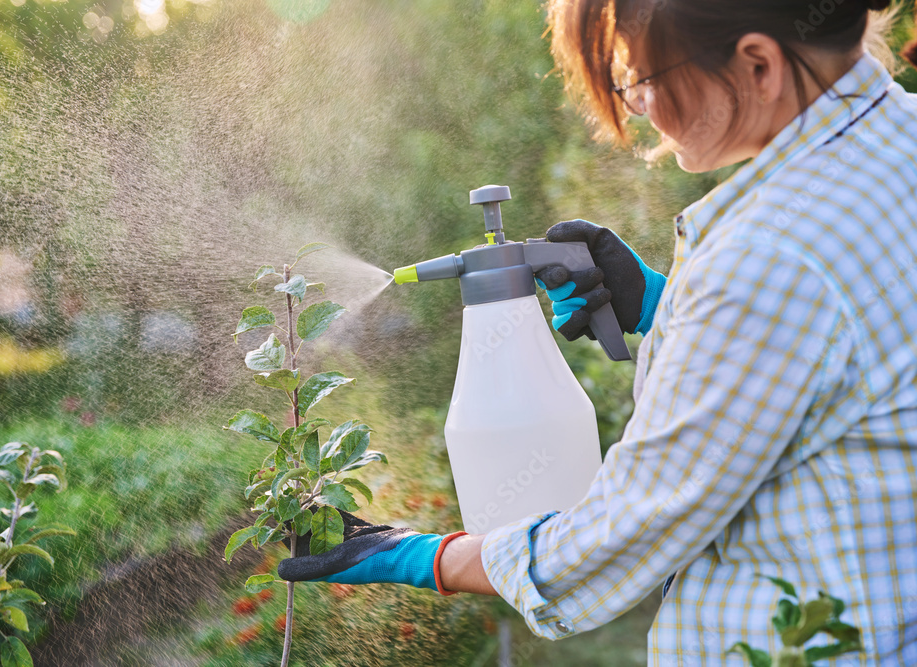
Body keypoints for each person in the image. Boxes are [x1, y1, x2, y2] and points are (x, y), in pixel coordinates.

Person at [279, 0, 917, 663]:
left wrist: (419, 555)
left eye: (642, 78)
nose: (638, 107)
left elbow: (628, 530)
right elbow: (853, 361)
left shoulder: (770, 257)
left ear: (758, 64)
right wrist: (660, 306)